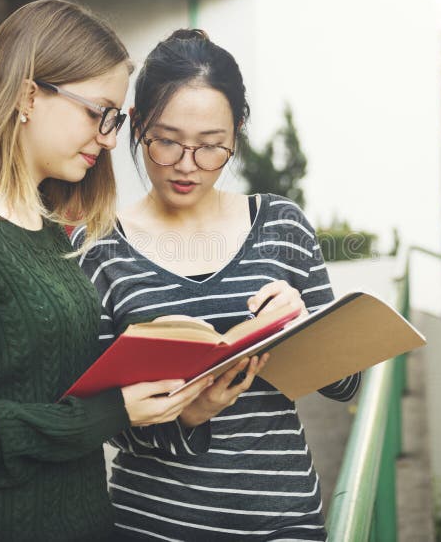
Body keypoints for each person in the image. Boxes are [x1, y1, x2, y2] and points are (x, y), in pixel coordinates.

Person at [0, 0, 210, 542]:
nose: (109, 138)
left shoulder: (47, 230)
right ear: (28, 95)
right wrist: (108, 413)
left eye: (116, 120)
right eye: (98, 112)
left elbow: (41, 380)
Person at [74, 29, 361, 541]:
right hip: (153, 525)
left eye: (211, 147)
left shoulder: (281, 226)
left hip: (281, 520)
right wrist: (192, 415)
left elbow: (344, 386)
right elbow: (99, 421)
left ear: (238, 132)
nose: (187, 165)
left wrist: (303, 327)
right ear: (137, 125)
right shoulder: (99, 251)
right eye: (166, 142)